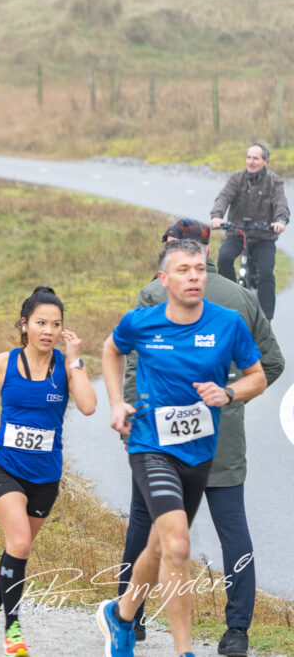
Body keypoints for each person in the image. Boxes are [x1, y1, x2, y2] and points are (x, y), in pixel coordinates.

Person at [115, 220, 284, 655]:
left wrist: (132, 413)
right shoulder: (244, 299)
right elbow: (272, 364)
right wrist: (231, 395)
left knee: (144, 526)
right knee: (234, 532)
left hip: (160, 441)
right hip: (223, 440)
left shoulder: (155, 295)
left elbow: (132, 365)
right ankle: (238, 632)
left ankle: (128, 621)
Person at [0, 287, 97, 655]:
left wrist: (76, 359)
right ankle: (14, 630)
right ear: (25, 325)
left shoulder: (67, 368)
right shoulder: (2, 363)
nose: (48, 330)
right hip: (4, 467)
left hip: (46, 478)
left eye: (56, 324)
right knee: (18, 542)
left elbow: (87, 406)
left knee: (17, 551)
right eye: (40, 323)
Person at [209, 142, 289, 320]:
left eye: (256, 158)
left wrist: (280, 221)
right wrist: (217, 215)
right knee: (224, 258)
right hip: (238, 233)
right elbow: (224, 197)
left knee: (266, 273)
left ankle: (266, 318)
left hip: (263, 236)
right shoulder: (237, 178)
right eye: (248, 157)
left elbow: (281, 204)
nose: (251, 162)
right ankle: (230, 302)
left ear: (265, 161)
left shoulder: (274, 182)